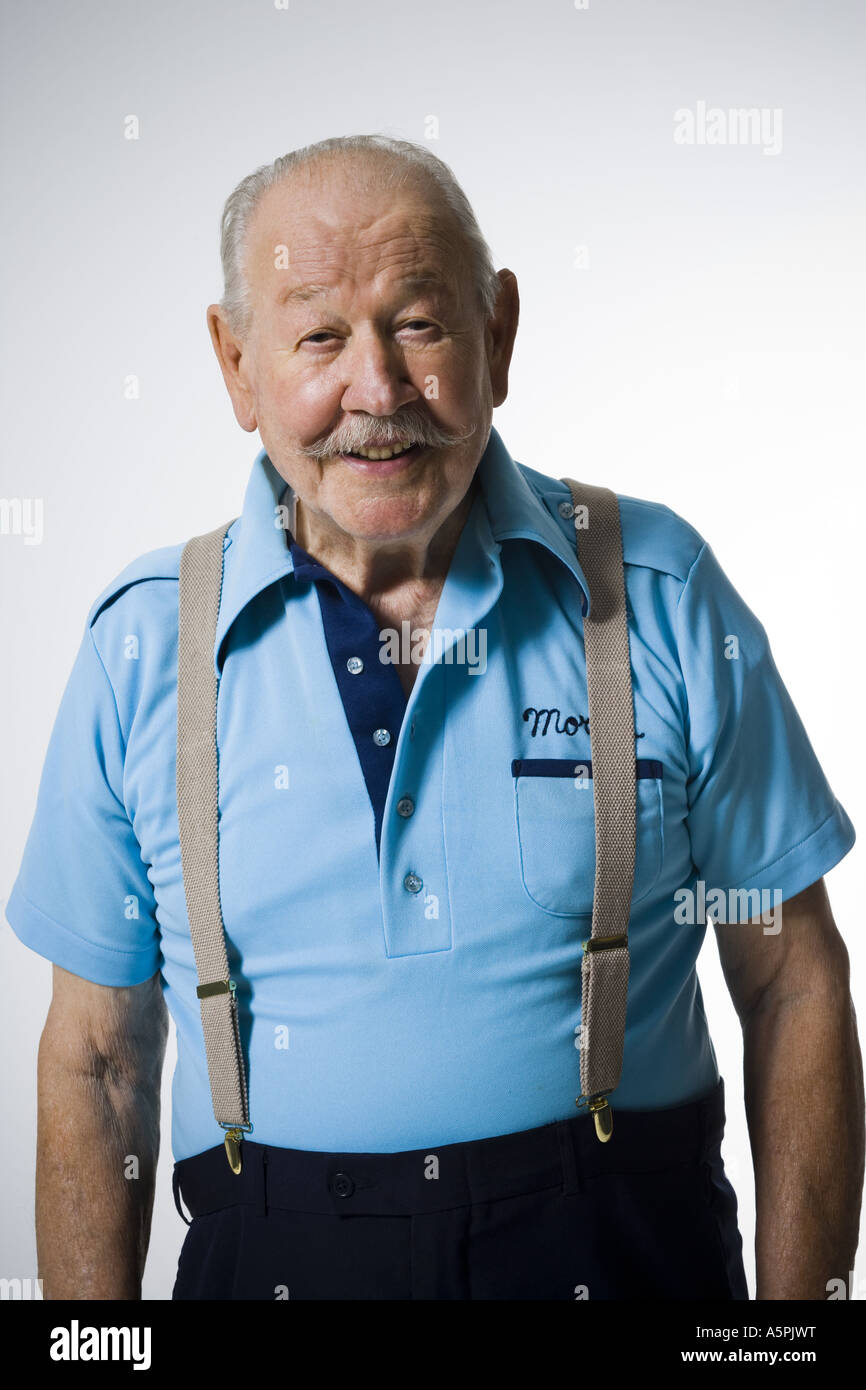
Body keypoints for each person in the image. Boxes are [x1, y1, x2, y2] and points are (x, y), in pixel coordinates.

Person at [7, 134, 862, 1301]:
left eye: (419, 323)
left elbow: (794, 984)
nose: (378, 392)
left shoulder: (656, 590)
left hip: (623, 1259)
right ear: (235, 364)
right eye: (317, 336)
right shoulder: (143, 647)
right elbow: (98, 1061)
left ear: (497, 334)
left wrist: (792, 1335)